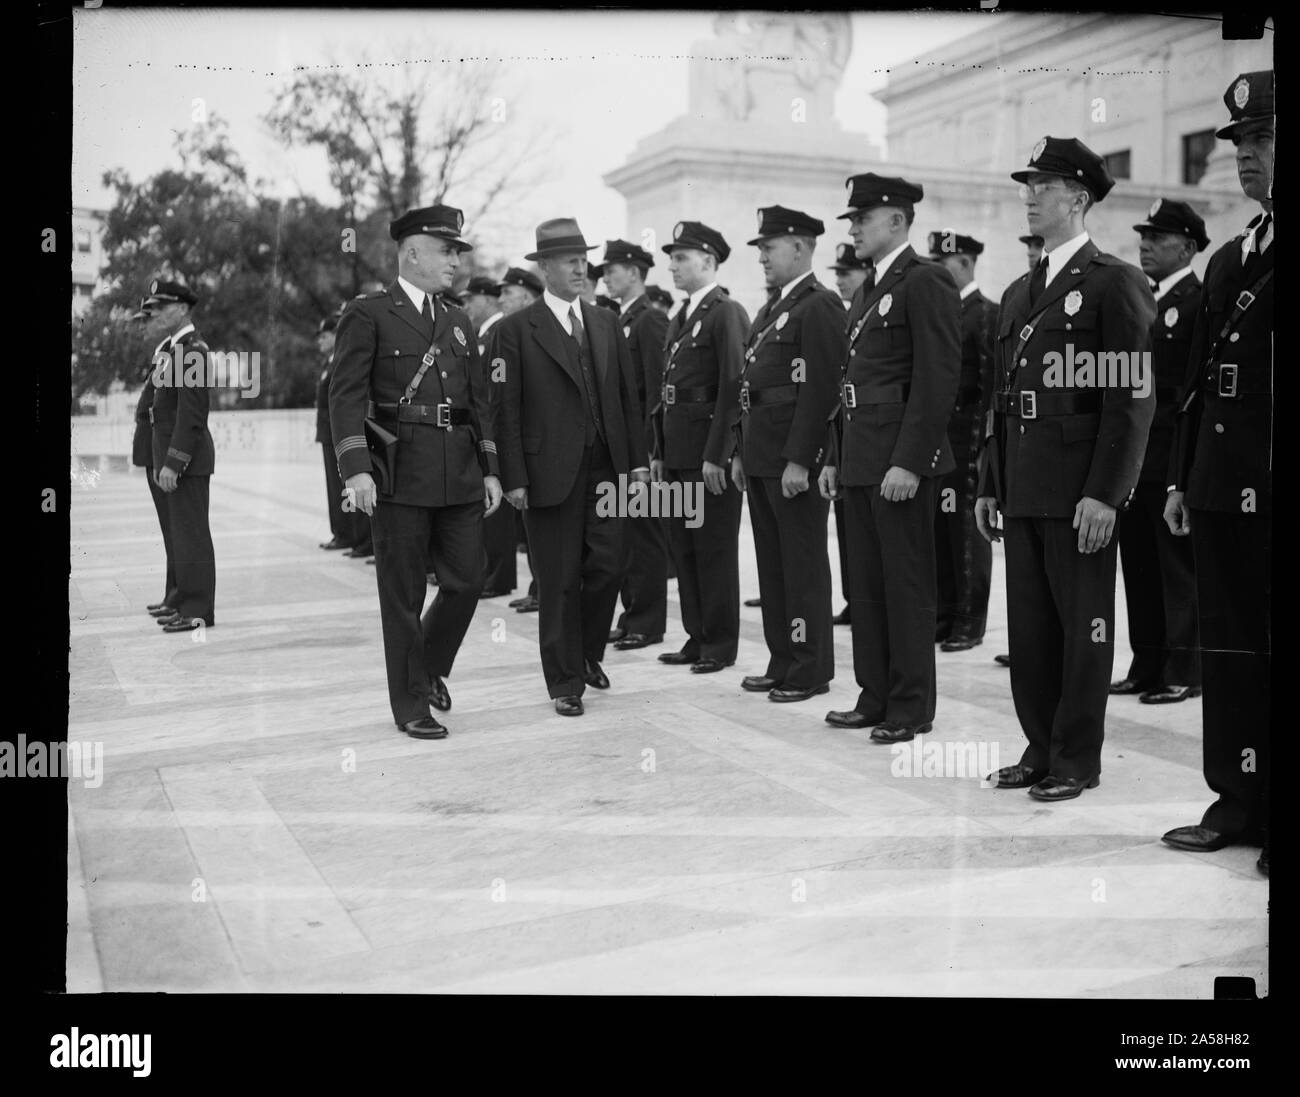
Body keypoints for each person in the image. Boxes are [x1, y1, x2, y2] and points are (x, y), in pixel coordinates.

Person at [975, 136, 1155, 801]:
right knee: (1030, 628)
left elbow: (1130, 396)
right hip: (1023, 484)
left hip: (1079, 488)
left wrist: (1106, 493)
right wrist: (991, 484)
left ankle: (1076, 757)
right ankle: (1040, 744)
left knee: (1083, 629)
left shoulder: (1112, 282)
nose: (1030, 197)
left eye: (1043, 187)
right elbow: (1005, 399)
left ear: (1078, 199)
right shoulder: (1022, 289)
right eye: (1027, 186)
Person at [329, 204, 502, 739]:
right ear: (411, 253)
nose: (455, 261)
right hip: (398, 473)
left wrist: (491, 468)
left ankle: (426, 667)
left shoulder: (457, 319)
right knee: (401, 595)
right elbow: (346, 395)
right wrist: (356, 469)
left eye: (457, 252)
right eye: (446, 250)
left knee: (468, 581)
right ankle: (410, 705)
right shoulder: (369, 313)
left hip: (460, 473)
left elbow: (478, 401)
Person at [1161, 71, 1273, 875]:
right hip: (1220, 487)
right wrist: (1178, 480)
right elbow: (1197, 383)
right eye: (1240, 145)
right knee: (1230, 650)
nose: (1246, 157)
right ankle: (1237, 797)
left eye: (1263, 140)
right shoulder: (1233, 257)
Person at [819, 175, 960, 742]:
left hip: (899, 463)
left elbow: (937, 378)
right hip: (859, 460)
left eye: (861, 219)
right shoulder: (869, 288)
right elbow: (848, 384)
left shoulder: (925, 281)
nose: (852, 228)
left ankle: (909, 705)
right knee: (866, 587)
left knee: (905, 587)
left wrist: (910, 461)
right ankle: (874, 693)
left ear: (897, 221)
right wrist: (834, 456)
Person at [495, 218, 648, 717]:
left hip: (608, 469)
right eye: (570, 261)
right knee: (558, 576)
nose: (582, 268)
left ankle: (587, 653)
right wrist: (513, 476)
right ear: (544, 268)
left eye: (584, 259)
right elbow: (506, 409)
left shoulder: (604, 322)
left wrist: (638, 466)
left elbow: (627, 398)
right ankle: (564, 681)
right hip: (547, 474)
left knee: (609, 565)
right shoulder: (517, 330)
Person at [733, 206, 844, 701]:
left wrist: (803, 458)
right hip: (761, 456)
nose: (762, 258)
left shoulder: (820, 306)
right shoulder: (772, 309)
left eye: (769, 248)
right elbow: (750, 389)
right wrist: (740, 451)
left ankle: (809, 667)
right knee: (773, 568)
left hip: (791, 461)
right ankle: (783, 659)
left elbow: (821, 391)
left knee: (801, 570)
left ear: (799, 248)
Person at [1111, 199, 1208, 703]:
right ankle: (1146, 664)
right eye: (1143, 235)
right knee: (1141, 569)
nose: (1145, 244)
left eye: (1159, 236)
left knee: (1176, 570)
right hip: (1137, 461)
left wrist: (1182, 475)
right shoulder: (1141, 299)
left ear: (1188, 247)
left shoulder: (1197, 302)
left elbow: (1188, 397)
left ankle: (1184, 670)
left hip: (1172, 459)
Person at [652, 222, 749, 674]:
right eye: (672, 257)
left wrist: (721, 452)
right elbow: (666, 392)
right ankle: (697, 635)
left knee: (712, 551)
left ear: (709, 262)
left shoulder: (724, 311)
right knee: (685, 550)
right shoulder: (682, 316)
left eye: (682, 257)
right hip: (677, 454)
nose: (672, 265)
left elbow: (733, 385)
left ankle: (720, 643)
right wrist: (658, 452)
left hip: (706, 456)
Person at [928, 230, 997, 652]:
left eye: (944, 263)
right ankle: (945, 615)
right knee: (941, 532)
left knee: (967, 535)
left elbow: (988, 384)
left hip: (967, 444)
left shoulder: (984, 313)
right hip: (941, 445)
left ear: (966, 263)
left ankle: (969, 623)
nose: (937, 271)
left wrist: (981, 448)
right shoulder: (946, 312)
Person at [602, 239, 670, 651]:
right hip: (622, 449)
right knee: (627, 537)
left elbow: (657, 391)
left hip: (641, 450)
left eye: (612, 269)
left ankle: (647, 622)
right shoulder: (619, 319)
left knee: (645, 537)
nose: (606, 276)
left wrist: (649, 448)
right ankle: (631, 617)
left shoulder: (649, 320)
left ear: (634, 271)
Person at [145, 279, 218, 634]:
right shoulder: (176, 350)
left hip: (188, 461)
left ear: (182, 309)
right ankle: (185, 602)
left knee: (192, 535)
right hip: (177, 459)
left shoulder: (193, 350)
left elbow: (191, 415)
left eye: (162, 306)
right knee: (183, 535)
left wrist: (174, 461)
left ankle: (198, 609)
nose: (155, 313)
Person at [826, 241, 873, 626]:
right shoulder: (847, 316)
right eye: (838, 274)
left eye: (847, 272)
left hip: (868, 440)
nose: (841, 280)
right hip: (846, 439)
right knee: (846, 528)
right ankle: (854, 597)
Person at [496, 266, 545, 612]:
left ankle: (544, 588)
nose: (501, 300)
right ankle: (537, 586)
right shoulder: (508, 332)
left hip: (543, 449)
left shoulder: (533, 332)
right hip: (521, 448)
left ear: (527, 296)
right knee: (529, 530)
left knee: (542, 531)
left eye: (507, 294)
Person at [466, 274, 516, 599]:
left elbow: (499, 386)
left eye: (471, 299)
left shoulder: (499, 332)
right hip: (484, 430)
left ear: (487, 298)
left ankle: (498, 577)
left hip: (495, 432)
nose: (467, 306)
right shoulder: (483, 334)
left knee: (498, 511)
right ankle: (489, 573)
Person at [130, 296, 179, 619]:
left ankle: (177, 596)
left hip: (160, 448)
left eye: (145, 321)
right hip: (152, 448)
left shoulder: (170, 352)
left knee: (175, 530)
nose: (142, 328)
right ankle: (172, 595)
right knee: (169, 529)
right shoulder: (161, 353)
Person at [314, 312, 356, 552]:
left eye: (324, 336)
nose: (320, 341)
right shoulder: (328, 362)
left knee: (343, 488)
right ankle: (340, 532)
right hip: (327, 434)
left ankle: (348, 533)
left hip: (337, 435)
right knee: (334, 488)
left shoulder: (340, 361)